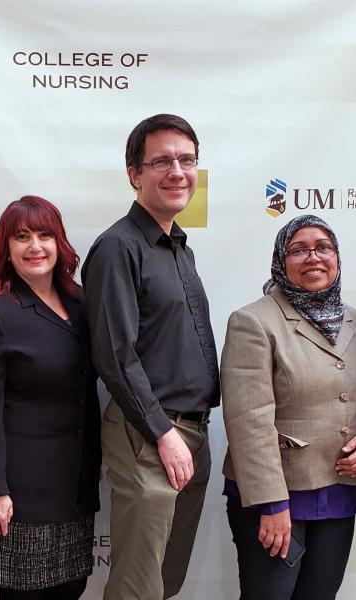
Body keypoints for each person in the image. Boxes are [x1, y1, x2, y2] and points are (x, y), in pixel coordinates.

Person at [82, 114, 219, 600]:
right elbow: (115, 355)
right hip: (151, 435)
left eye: (186, 160)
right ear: (134, 174)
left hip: (190, 433)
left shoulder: (180, 247)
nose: (177, 171)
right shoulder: (118, 246)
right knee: (137, 588)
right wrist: (163, 433)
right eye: (162, 161)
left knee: (166, 581)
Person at [220, 214, 356, 600]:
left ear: (338, 258)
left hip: (339, 492)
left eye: (323, 247)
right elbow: (249, 421)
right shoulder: (254, 321)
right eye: (299, 250)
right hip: (276, 499)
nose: (313, 257)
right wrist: (272, 503)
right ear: (281, 260)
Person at [0, 196, 101, 600]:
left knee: (72, 589)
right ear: (7, 248)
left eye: (44, 235)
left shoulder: (81, 304)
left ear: (60, 243)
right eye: (22, 236)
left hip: (73, 485)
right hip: (18, 493)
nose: (35, 246)